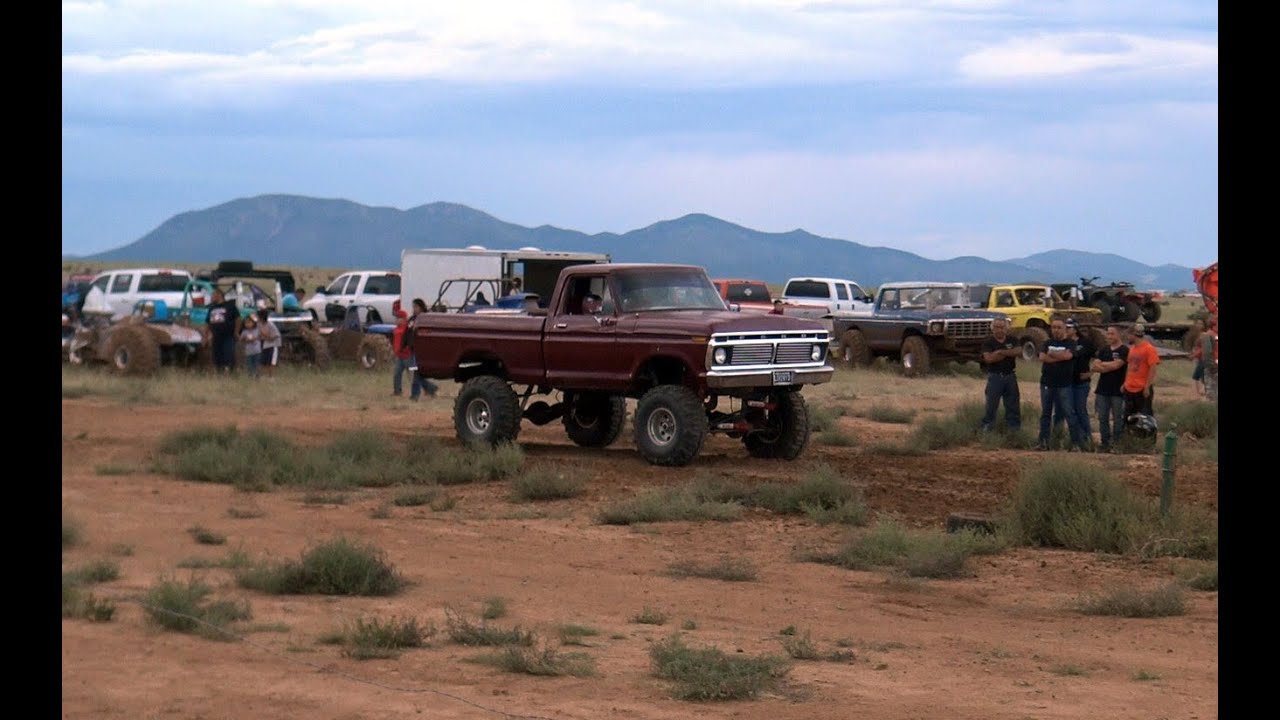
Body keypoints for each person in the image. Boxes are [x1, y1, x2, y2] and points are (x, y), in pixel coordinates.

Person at [1037, 318, 1086, 451]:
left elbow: (1067, 356)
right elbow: (1042, 357)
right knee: (1046, 414)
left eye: (1059, 327)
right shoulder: (1047, 342)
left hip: (1064, 384)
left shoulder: (1070, 343)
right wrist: (1058, 356)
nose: (1056, 330)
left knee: (1069, 413)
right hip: (1047, 382)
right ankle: (1043, 443)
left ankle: (1075, 444)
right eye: (1053, 327)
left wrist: (1052, 354)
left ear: (1065, 329)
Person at [1053, 319, 1094, 449]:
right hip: (1066, 382)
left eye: (1069, 328)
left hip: (1081, 382)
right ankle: (1066, 439)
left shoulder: (1085, 343)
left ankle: (1086, 439)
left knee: (1080, 410)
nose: (1067, 330)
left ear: (1075, 329)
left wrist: (1091, 372)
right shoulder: (1064, 343)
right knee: (1064, 410)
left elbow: (1098, 356)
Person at [1090, 325, 1129, 452]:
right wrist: (1106, 365)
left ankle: (1117, 444)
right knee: (1103, 418)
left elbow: (1117, 365)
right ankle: (1104, 443)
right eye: (1108, 334)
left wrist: (1103, 365)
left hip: (1117, 390)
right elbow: (1094, 366)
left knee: (1117, 418)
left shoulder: (1124, 350)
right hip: (1102, 390)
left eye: (1112, 334)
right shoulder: (1104, 349)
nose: (1109, 336)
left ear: (1119, 335)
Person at [979, 317, 1021, 432]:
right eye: (996, 327)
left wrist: (1001, 352)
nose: (999, 330)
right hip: (995, 377)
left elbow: (1018, 351)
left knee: (1013, 405)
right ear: (992, 329)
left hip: (1010, 376)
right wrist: (1009, 354)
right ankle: (987, 429)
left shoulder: (1012, 339)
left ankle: (1014, 430)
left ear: (1006, 329)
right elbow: (988, 359)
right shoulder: (988, 342)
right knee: (991, 405)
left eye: (1002, 327)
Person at [1122, 322, 1160, 419]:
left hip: (1142, 389)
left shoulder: (1149, 349)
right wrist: (1125, 383)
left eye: (1129, 335)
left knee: (1145, 417)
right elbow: (1129, 366)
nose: (1127, 337)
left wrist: (1147, 386)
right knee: (1129, 417)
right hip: (1129, 388)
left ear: (1134, 335)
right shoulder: (1132, 349)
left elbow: (1153, 368)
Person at [403, 298, 440, 398]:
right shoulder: (412, 320)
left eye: (416, 307)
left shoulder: (426, 319)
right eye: (413, 307)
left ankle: (415, 395)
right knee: (417, 373)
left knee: (416, 372)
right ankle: (430, 388)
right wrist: (404, 344)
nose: (414, 309)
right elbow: (407, 333)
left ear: (421, 307)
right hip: (413, 349)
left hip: (423, 350)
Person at [206, 288, 240, 374]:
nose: (211, 298)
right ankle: (219, 373)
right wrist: (206, 335)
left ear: (219, 295)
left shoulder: (230, 306)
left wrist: (236, 331)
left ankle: (230, 372)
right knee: (217, 356)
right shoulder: (212, 308)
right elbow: (207, 322)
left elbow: (238, 319)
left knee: (228, 354)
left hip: (228, 335)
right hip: (216, 336)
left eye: (213, 295)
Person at [391, 309, 424, 399]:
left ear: (404, 319)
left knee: (412, 376)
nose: (397, 320)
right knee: (396, 374)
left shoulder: (407, 329)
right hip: (400, 356)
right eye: (396, 318)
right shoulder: (395, 330)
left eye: (399, 318)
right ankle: (397, 391)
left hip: (408, 356)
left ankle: (422, 390)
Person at [257, 308, 281, 381]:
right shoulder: (259, 325)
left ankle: (271, 376)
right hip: (266, 344)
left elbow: (276, 335)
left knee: (271, 361)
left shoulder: (270, 325)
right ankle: (262, 376)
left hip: (273, 345)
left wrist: (266, 336)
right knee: (263, 360)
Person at [1198, 316, 1218, 402]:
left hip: (1213, 367)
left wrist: (1211, 367)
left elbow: (1207, 353)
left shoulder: (1207, 336)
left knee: (1211, 394)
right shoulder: (1210, 335)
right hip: (1214, 366)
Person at [1188, 319, 1208, 396]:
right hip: (1199, 357)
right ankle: (1200, 392)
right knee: (1201, 375)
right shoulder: (1196, 335)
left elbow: (1203, 348)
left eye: (1201, 324)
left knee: (1197, 375)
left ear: (1203, 326)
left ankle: (1201, 392)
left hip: (1204, 357)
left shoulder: (1204, 335)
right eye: (1197, 324)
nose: (1199, 325)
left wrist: (1193, 355)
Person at [239, 314, 261, 378]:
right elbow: (241, 339)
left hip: (257, 351)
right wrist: (245, 339)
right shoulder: (244, 332)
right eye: (246, 323)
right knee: (249, 364)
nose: (248, 324)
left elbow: (258, 337)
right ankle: (250, 375)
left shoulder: (257, 330)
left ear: (253, 323)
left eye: (249, 323)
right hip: (248, 351)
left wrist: (253, 339)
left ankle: (257, 375)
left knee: (256, 363)